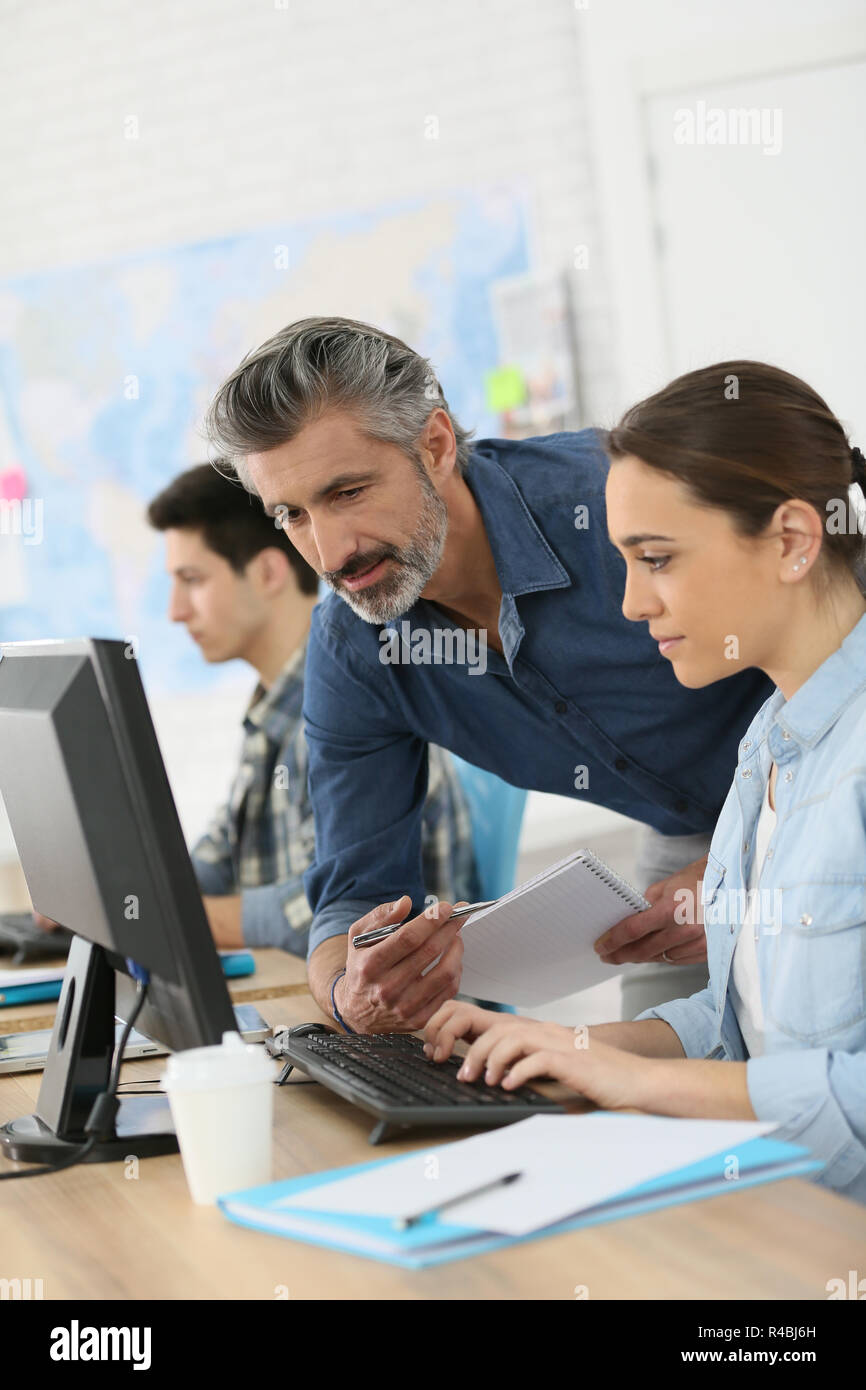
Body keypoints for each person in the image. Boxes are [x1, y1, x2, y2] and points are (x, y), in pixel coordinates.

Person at [204, 316, 773, 1030]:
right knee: (649, 1103)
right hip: (686, 843)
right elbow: (351, 899)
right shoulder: (356, 649)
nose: (328, 552)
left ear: (435, 445)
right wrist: (347, 991)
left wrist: (754, 858)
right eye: (291, 514)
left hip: (823, 790)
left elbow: (836, 647)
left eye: (347, 492)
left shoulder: (615, 502)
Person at [423, 361, 866, 1205]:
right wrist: (571, 1049)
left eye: (657, 559)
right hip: (785, 1216)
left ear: (793, 542)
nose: (630, 604)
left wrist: (637, 1085)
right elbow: (742, 1030)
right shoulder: (768, 742)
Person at [146, 463, 478, 954]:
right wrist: (127, 890)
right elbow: (218, 862)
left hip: (409, 1018)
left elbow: (331, 914)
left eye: (192, 580)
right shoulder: (271, 711)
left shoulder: (352, 709)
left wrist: (162, 912)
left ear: (267, 573)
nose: (175, 610)